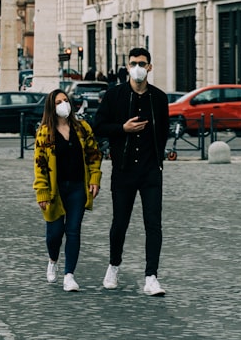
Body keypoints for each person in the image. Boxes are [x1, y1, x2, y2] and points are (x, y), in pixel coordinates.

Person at [93, 46, 170, 296]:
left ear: (149, 67)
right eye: (134, 62)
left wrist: (158, 159)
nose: (138, 67)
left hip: (150, 171)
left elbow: (164, 131)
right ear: (128, 66)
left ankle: (151, 277)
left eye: (142, 63)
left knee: (154, 224)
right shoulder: (114, 95)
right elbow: (99, 126)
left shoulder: (159, 98)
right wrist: (122, 129)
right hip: (123, 170)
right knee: (120, 223)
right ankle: (114, 265)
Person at [33, 89, 103, 292]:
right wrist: (42, 192)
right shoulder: (45, 132)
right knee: (54, 234)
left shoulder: (82, 128)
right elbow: (40, 165)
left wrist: (94, 179)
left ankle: (69, 275)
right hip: (55, 190)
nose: (63, 104)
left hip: (77, 188)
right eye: (58, 102)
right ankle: (53, 259)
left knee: (73, 231)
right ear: (51, 107)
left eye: (65, 100)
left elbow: (94, 155)